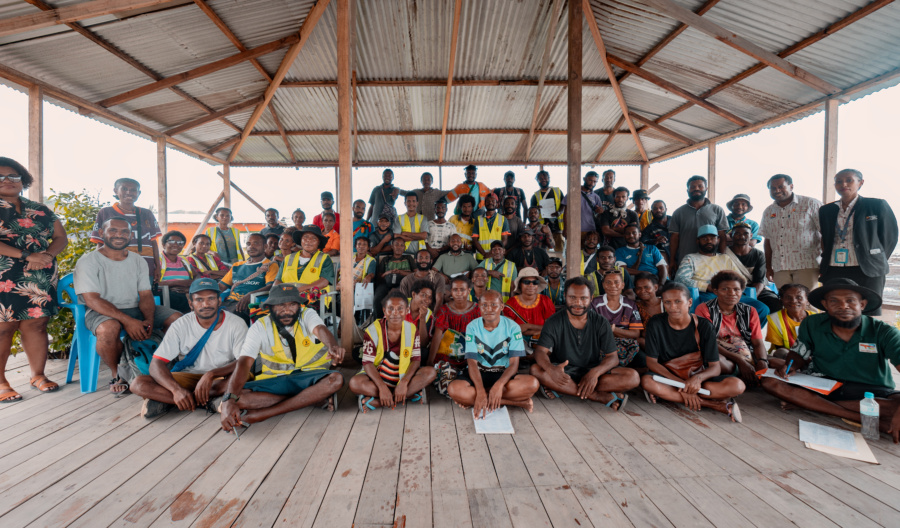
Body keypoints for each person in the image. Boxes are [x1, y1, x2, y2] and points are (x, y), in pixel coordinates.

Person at [759, 279, 900, 443]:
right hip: (824, 384)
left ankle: (814, 404)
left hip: (871, 391)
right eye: (834, 301)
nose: (843, 306)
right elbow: (798, 354)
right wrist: (791, 366)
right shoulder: (812, 324)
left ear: (862, 304)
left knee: (893, 405)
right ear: (825, 304)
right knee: (770, 382)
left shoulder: (884, 332)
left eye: (850, 300)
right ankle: (861, 417)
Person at [75, 217, 181, 395]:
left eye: (125, 232)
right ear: (102, 233)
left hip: (135, 308)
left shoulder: (137, 260)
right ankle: (119, 374)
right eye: (113, 230)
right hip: (100, 311)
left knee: (177, 320)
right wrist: (128, 321)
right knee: (109, 329)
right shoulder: (88, 261)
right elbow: (92, 300)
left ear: (130, 235)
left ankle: (165, 366)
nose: (119, 235)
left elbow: (146, 295)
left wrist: (148, 319)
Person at [219, 284, 346, 430]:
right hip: (276, 380)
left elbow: (320, 329)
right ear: (270, 307)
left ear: (299, 305)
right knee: (236, 398)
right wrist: (229, 400)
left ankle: (266, 413)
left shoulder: (307, 314)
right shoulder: (259, 327)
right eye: (280, 305)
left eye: (292, 305)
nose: (287, 311)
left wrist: (332, 346)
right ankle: (310, 398)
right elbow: (243, 364)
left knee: (336, 380)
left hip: (309, 376)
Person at [0, 158, 68, 401]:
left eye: (13, 176)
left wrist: (47, 255)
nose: (7, 180)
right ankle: (1, 382)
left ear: (22, 180)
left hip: (39, 276)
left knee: (37, 325)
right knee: (3, 329)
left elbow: (61, 237)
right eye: (1, 177)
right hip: (3, 278)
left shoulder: (40, 209)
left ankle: (38, 375)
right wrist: (28, 255)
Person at [130, 278, 247, 418]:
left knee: (242, 377)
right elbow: (156, 364)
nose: (206, 304)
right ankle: (207, 403)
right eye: (199, 300)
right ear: (191, 304)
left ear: (219, 301)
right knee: (138, 384)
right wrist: (177, 390)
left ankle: (174, 401)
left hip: (221, 378)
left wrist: (211, 374)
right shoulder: (180, 324)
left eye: (211, 298)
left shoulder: (236, 324)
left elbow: (244, 362)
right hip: (190, 376)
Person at [641, 282, 745, 422]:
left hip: (697, 378)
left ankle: (671, 396)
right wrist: (683, 385)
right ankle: (715, 405)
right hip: (669, 378)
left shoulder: (704, 326)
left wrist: (697, 379)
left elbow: (715, 367)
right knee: (647, 381)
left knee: (737, 386)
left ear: (689, 302)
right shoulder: (656, 323)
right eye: (667, 302)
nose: (672, 307)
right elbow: (652, 363)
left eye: (678, 301)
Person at [530, 277, 639, 408]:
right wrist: (551, 369)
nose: (577, 303)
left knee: (633, 377)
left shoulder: (601, 322)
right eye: (572, 298)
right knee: (535, 369)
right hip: (564, 373)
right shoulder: (553, 321)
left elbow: (613, 358)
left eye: (583, 298)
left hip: (593, 372)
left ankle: (564, 390)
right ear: (565, 296)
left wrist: (594, 374)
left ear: (591, 298)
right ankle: (596, 396)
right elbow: (540, 351)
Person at [447, 290, 540, 415]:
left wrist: (499, 385)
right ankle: (515, 402)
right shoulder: (472, 326)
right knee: (454, 389)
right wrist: (479, 390)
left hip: (503, 374)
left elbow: (513, 364)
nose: (489, 309)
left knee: (532, 384)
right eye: (484, 305)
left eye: (494, 305)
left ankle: (480, 399)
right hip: (478, 374)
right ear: (479, 306)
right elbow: (472, 363)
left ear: (501, 307)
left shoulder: (513, 327)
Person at [819, 169, 897, 316]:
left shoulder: (876, 205)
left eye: (849, 180)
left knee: (869, 310)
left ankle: (865, 340)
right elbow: (825, 238)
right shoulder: (826, 210)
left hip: (867, 269)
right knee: (836, 311)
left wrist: (874, 258)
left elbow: (890, 237)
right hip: (834, 268)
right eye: (839, 181)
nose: (844, 184)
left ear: (860, 183)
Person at [350, 291, 436, 411]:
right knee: (355, 383)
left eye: (400, 309)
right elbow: (368, 363)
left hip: (402, 375)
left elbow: (416, 360)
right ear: (384, 311)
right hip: (379, 375)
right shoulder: (373, 330)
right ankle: (406, 395)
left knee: (431, 372)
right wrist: (382, 387)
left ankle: (380, 401)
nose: (395, 313)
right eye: (390, 308)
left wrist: (404, 382)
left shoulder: (412, 329)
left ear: (407, 311)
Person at [674, 224, 769, 323]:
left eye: (712, 238)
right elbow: (680, 279)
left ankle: (743, 335)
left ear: (718, 240)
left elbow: (740, 278)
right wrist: (708, 287)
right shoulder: (690, 258)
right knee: (718, 310)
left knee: (762, 309)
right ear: (698, 241)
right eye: (705, 238)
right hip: (707, 294)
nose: (709, 241)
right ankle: (722, 336)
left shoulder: (725, 258)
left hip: (730, 293)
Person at [694, 271, 768, 389]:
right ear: (715, 291)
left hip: (745, 353)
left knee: (774, 363)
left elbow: (757, 343)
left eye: (736, 289)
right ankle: (744, 377)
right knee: (719, 363)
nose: (732, 293)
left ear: (741, 292)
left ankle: (742, 377)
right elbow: (709, 342)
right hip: (718, 352)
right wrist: (740, 361)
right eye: (725, 289)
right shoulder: (704, 309)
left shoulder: (750, 311)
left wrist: (762, 361)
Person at [90, 177, 161, 283]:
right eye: (124, 189)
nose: (129, 192)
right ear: (115, 191)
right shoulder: (106, 212)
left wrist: (158, 267)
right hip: (115, 266)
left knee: (143, 297)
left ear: (139, 193)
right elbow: (100, 243)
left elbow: (153, 242)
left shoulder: (147, 214)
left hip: (145, 267)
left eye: (133, 190)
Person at [759, 174, 822, 290]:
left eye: (781, 186)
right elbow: (767, 240)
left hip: (807, 264)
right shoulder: (768, 211)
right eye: (773, 188)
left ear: (791, 186)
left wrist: (825, 262)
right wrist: (768, 267)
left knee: (807, 301)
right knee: (786, 301)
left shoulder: (811, 204)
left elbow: (824, 234)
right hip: (780, 267)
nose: (777, 190)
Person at [430, 276, 481, 396]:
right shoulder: (444, 310)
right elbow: (437, 337)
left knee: (480, 377)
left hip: (471, 357)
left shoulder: (477, 310)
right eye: (455, 290)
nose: (458, 293)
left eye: (462, 290)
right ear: (451, 291)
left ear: (469, 291)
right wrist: (430, 361)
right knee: (445, 389)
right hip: (448, 357)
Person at [668, 176, 728, 274]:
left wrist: (722, 258)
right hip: (685, 261)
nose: (696, 189)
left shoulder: (717, 210)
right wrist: (672, 260)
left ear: (706, 189)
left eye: (700, 186)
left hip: (711, 261)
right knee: (687, 287)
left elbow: (722, 236)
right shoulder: (678, 212)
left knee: (711, 287)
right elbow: (674, 238)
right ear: (687, 190)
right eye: (693, 187)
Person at [219, 233, 278, 324]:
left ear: (265, 246)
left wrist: (251, 294)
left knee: (228, 319)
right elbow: (221, 286)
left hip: (250, 305)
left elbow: (271, 286)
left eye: (256, 243)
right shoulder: (237, 266)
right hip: (230, 303)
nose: (251, 246)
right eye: (248, 244)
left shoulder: (270, 265)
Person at [592, 270, 645, 370]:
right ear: (603, 285)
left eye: (617, 282)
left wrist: (612, 329)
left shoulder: (630, 304)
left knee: (643, 361)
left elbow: (635, 334)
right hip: (601, 344)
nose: (613, 285)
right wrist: (622, 332)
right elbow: (594, 331)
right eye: (608, 282)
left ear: (623, 285)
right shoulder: (595, 303)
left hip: (626, 345)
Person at [273, 226, 335, 308]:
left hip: (313, 299)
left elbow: (324, 282)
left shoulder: (324, 258)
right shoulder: (288, 258)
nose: (308, 240)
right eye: (305, 237)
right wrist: (284, 292)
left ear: (318, 242)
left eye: (314, 238)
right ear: (300, 240)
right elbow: (277, 282)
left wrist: (297, 290)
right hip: (286, 298)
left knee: (292, 310)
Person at [728, 222, 782, 314]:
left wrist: (750, 300)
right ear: (731, 236)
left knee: (775, 303)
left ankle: (757, 327)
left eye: (745, 233)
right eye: (737, 233)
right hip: (731, 289)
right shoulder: (724, 253)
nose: (742, 236)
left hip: (754, 288)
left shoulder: (759, 254)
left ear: (751, 235)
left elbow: (759, 281)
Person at [502, 268, 555, 351]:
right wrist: (537, 330)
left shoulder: (545, 301)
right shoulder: (511, 303)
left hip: (542, 341)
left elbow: (551, 328)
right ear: (520, 284)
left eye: (535, 282)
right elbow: (510, 330)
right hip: (519, 342)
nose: (531, 285)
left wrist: (528, 327)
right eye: (526, 282)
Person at [765, 283, 814, 356]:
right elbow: (779, 347)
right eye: (788, 297)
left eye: (799, 297)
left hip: (814, 355)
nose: (793, 301)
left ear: (807, 300)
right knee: (781, 352)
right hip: (788, 356)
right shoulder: (774, 318)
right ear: (782, 299)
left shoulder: (816, 317)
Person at [374, 238, 414, 316]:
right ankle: (379, 320)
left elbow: (415, 274)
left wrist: (401, 272)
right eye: (396, 245)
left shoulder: (408, 258)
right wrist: (389, 272)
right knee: (377, 298)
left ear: (404, 247)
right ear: (392, 246)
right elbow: (379, 276)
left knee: (396, 293)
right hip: (386, 284)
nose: (399, 247)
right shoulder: (386, 259)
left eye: (402, 245)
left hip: (403, 284)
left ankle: (397, 318)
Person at [158, 231, 194, 314]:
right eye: (171, 241)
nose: (176, 244)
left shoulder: (184, 261)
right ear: (163, 245)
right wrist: (177, 283)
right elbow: (152, 283)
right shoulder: (157, 260)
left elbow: (197, 276)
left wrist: (188, 288)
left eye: (180, 242)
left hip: (185, 291)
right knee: (177, 298)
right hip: (165, 293)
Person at [560, 171, 604, 236]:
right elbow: (566, 212)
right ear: (584, 179)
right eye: (590, 180)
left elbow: (599, 216)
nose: (592, 183)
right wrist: (565, 228)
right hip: (573, 230)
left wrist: (599, 212)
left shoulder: (596, 197)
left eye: (595, 182)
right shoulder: (573, 193)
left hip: (590, 231)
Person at [530, 170, 564, 252]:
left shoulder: (557, 191)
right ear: (537, 180)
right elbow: (531, 212)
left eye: (545, 177)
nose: (543, 180)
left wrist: (559, 212)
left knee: (559, 252)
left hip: (558, 228)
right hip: (542, 230)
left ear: (549, 178)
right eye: (540, 178)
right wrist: (536, 209)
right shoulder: (535, 196)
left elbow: (564, 204)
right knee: (545, 252)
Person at [472, 193, 510, 261]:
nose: (490, 203)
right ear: (485, 203)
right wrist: (485, 254)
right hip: (481, 257)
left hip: (497, 257)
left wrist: (492, 254)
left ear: (497, 204)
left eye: (493, 201)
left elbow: (505, 240)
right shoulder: (478, 219)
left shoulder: (503, 219)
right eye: (488, 201)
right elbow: (475, 240)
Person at [406, 280, 436, 353]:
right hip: (396, 344)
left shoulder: (429, 315)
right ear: (413, 294)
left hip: (413, 349)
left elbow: (423, 344)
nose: (427, 300)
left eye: (430, 297)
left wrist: (422, 318)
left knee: (424, 352)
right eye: (423, 295)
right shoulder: (400, 305)